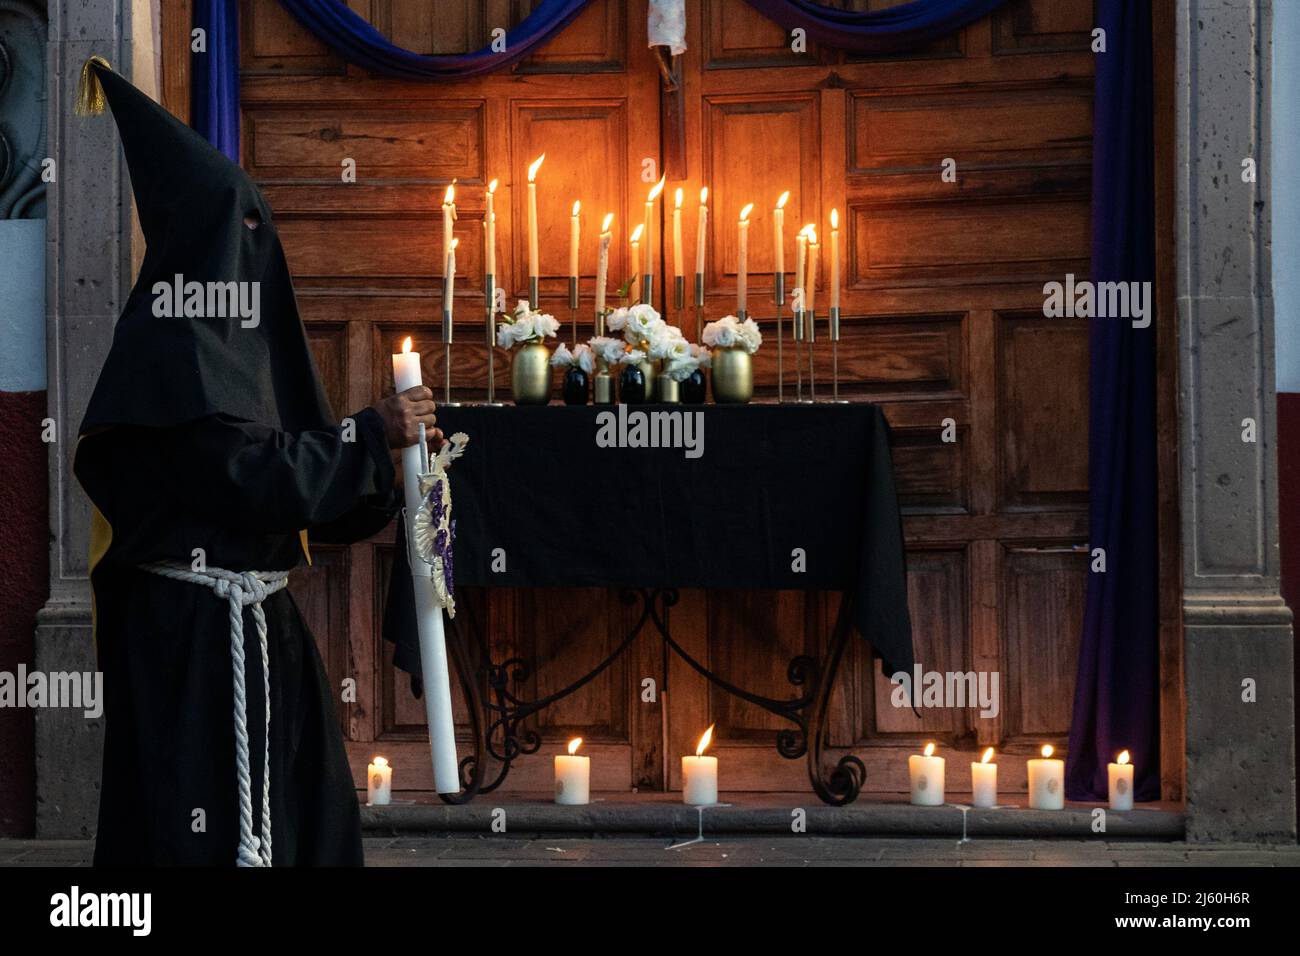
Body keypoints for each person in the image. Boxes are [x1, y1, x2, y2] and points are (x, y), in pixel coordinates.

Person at [73, 58, 441, 866]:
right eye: (240, 228)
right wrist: (368, 436)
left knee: (301, 822)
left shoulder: (247, 344)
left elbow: (314, 497)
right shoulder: (171, 345)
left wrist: (390, 459)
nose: (255, 249)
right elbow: (243, 477)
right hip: (192, 645)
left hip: (260, 629)